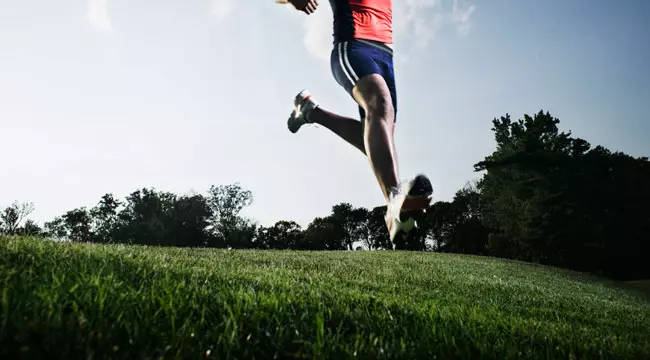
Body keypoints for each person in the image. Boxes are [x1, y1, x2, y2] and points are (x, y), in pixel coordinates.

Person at [281, 0, 433, 247]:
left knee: (376, 137)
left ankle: (312, 113)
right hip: (353, 47)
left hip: (385, 55)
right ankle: (395, 207)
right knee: (380, 106)